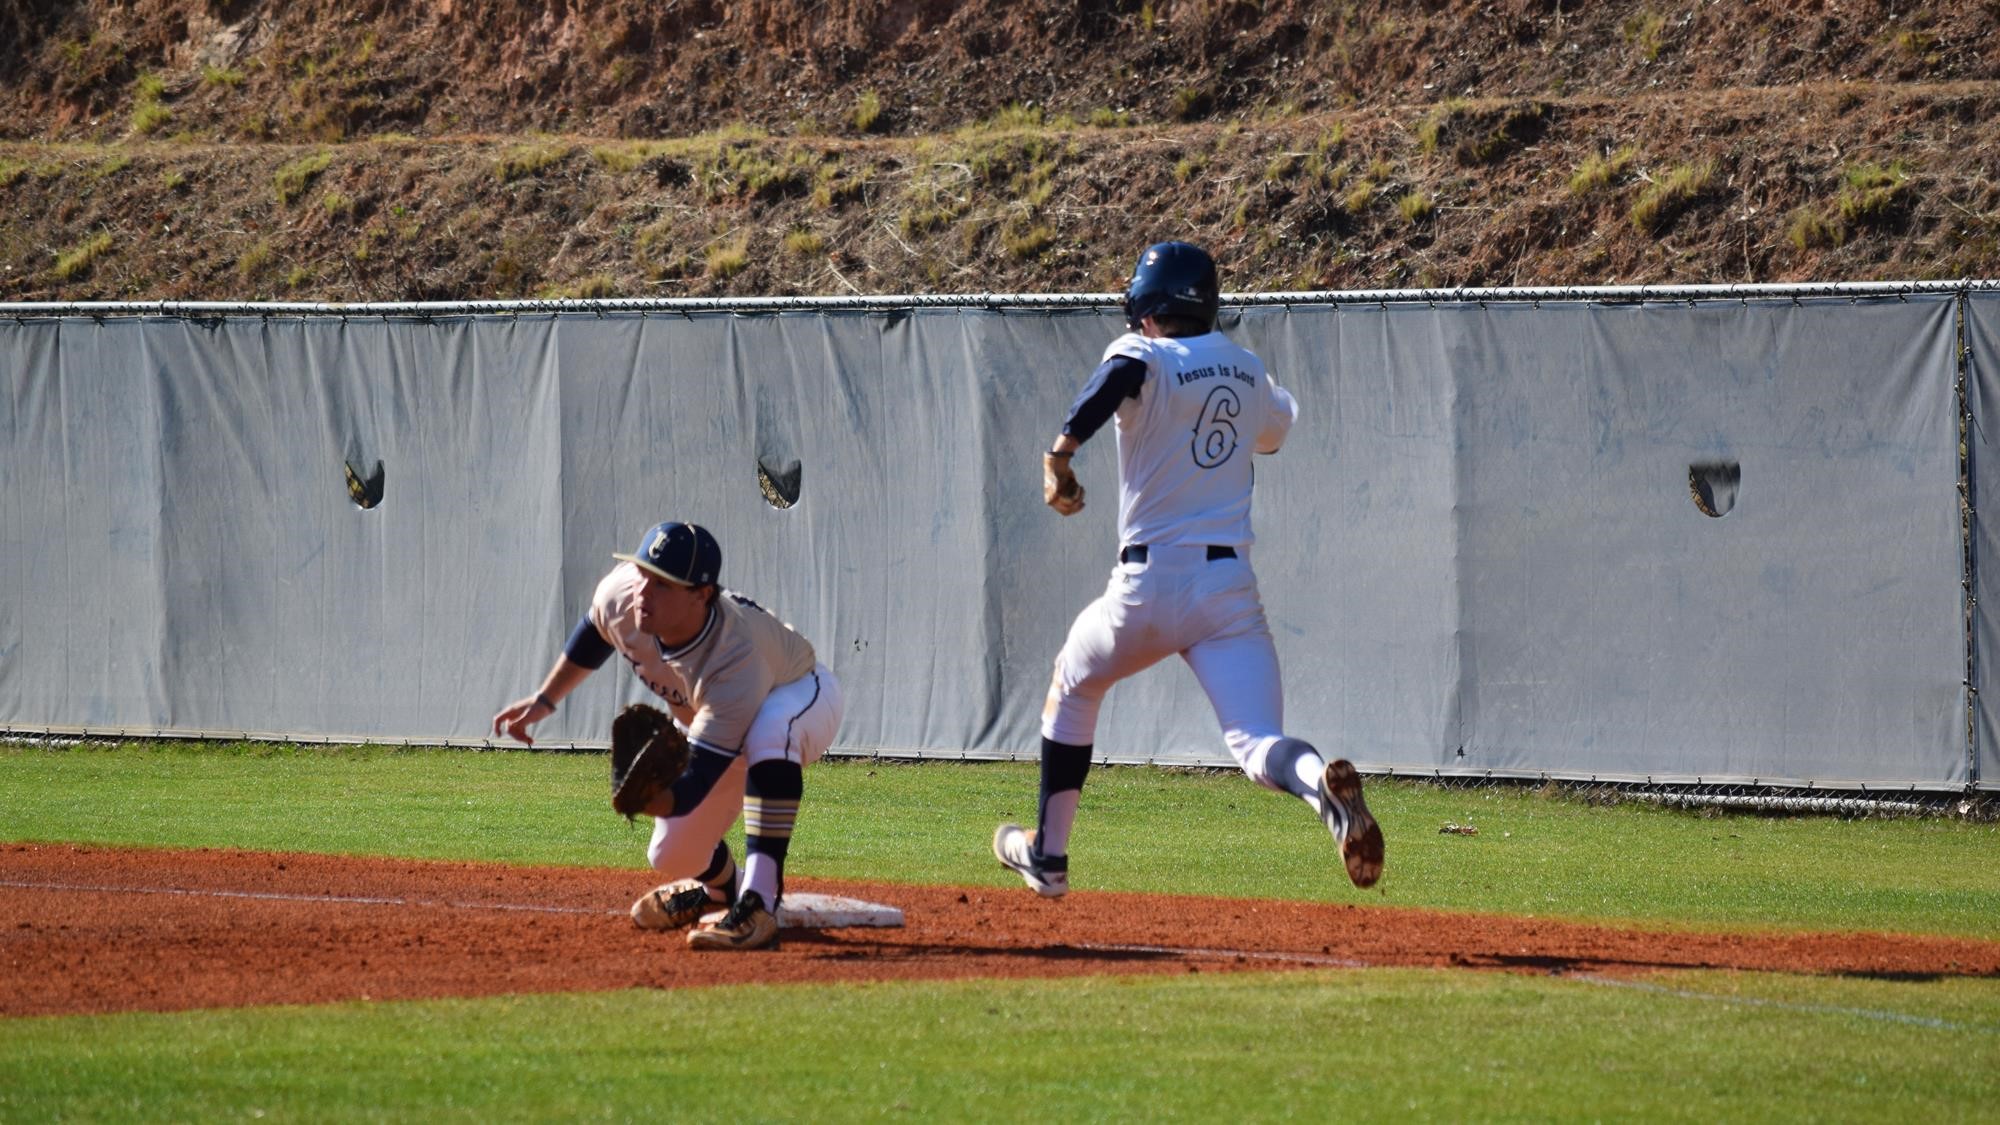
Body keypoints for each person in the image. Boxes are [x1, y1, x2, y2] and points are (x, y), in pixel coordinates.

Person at [993, 241, 1385, 898]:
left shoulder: (1142, 353)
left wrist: (1060, 455)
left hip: (1148, 586)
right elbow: (1277, 429)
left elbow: (1111, 382)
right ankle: (1321, 786)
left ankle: (1049, 856)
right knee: (1259, 742)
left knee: (1074, 681)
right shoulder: (1247, 368)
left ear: (1145, 309)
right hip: (1228, 591)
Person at [494, 520, 843, 951]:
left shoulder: (735, 655)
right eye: (642, 573)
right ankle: (722, 891)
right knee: (671, 854)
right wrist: (545, 699)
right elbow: (596, 632)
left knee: (769, 734)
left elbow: (698, 779)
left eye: (662, 584)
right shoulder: (623, 597)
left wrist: (654, 797)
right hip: (711, 719)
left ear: (701, 594)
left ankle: (759, 902)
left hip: (798, 693)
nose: (643, 591)